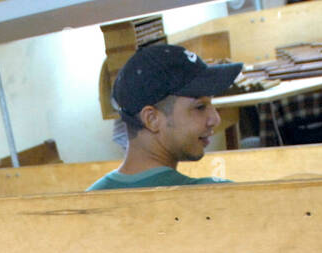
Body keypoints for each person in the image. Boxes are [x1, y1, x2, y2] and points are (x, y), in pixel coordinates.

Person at [89, 44, 242, 191]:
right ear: (152, 119)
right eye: (200, 107)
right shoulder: (219, 197)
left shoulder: (88, 200)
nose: (215, 119)